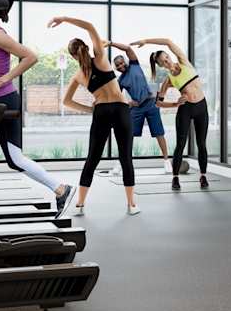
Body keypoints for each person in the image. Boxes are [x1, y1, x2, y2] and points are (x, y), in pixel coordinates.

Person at [49, 16, 139, 216]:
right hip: (120, 108)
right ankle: (132, 205)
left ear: (73, 56)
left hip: (101, 112)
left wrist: (91, 109)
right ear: (86, 48)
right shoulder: (100, 57)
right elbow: (90, 26)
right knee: (126, 158)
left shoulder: (78, 75)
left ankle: (80, 205)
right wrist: (63, 19)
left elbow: (66, 101)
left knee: (92, 159)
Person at [0, 0, 75, 216]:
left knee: (16, 158)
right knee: (14, 160)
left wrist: (4, 79)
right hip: (2, 100)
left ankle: (62, 190)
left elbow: (31, 56)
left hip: (4, 101)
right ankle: (61, 190)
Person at [131, 37, 209, 192]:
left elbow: (167, 41)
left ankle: (203, 175)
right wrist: (176, 104)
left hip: (201, 107)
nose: (167, 61)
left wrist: (146, 41)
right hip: (186, 110)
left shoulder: (184, 61)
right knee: (181, 145)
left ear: (169, 56)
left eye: (166, 57)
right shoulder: (168, 81)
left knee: (201, 144)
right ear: (161, 66)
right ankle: (175, 178)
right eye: (163, 62)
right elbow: (158, 103)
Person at [111, 42, 171, 174]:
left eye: (122, 62)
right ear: (116, 68)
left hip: (151, 104)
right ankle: (120, 163)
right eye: (118, 65)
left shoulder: (134, 65)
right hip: (136, 109)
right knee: (128, 136)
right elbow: (116, 98)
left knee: (159, 133)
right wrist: (129, 103)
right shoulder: (120, 81)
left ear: (126, 61)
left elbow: (127, 48)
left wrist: (110, 44)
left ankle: (167, 161)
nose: (121, 66)